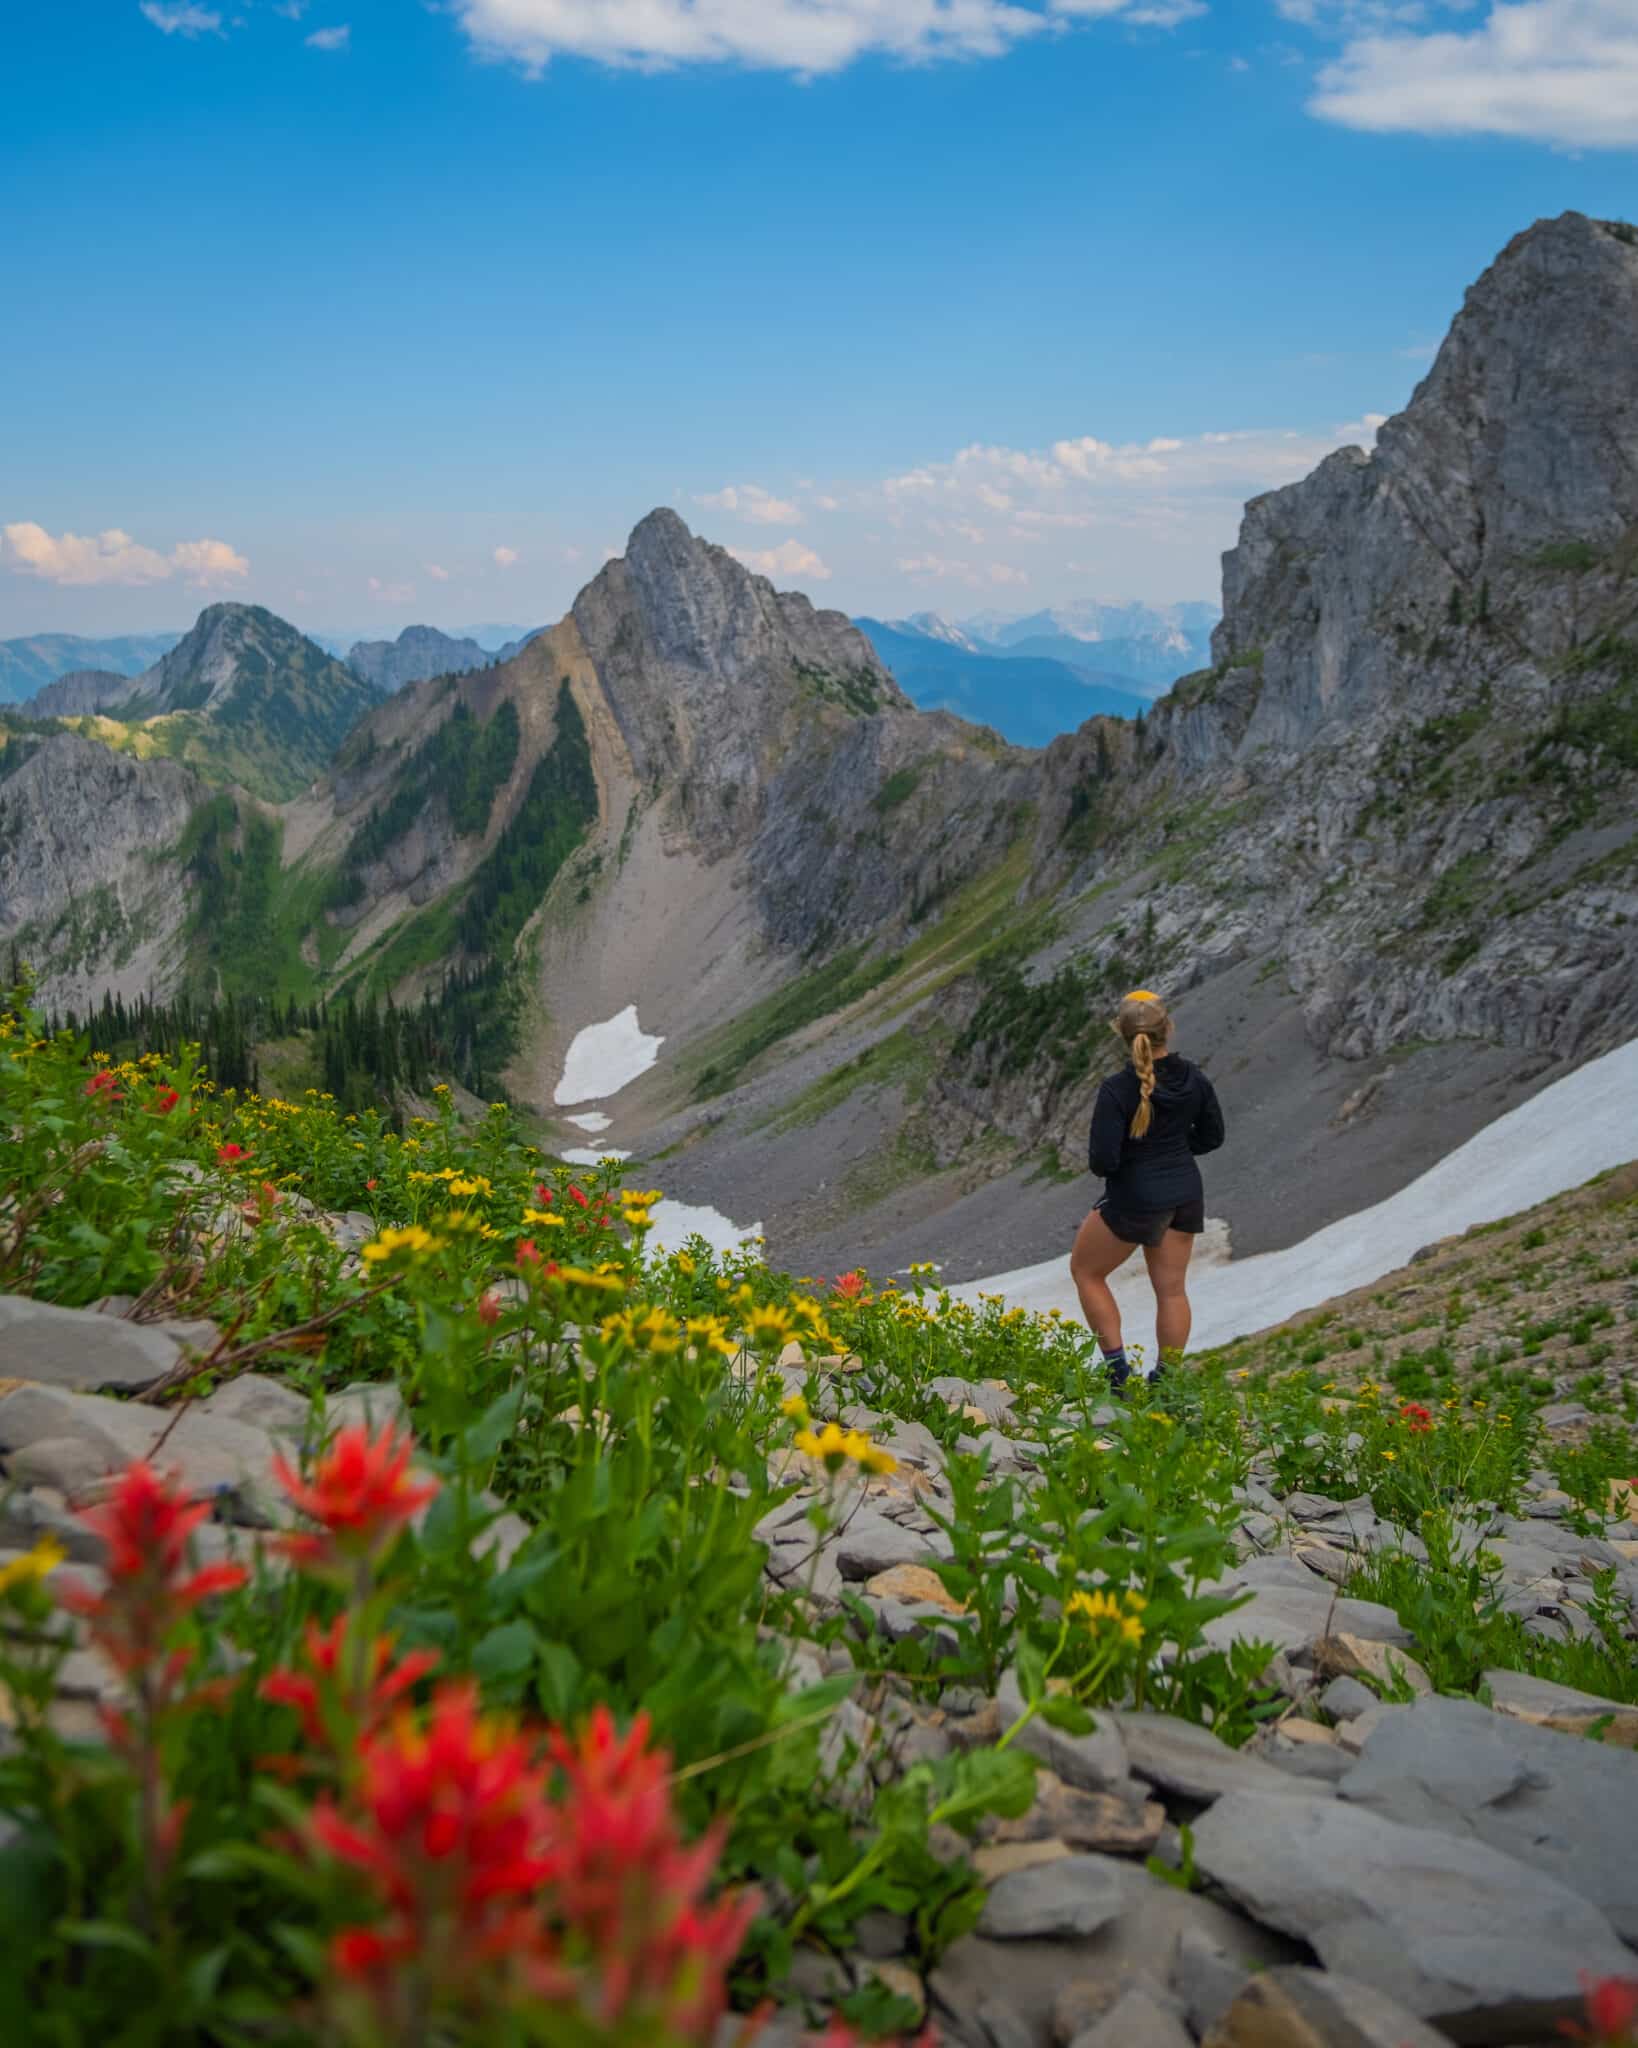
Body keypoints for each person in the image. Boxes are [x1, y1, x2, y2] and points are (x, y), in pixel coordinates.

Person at [1069, 989, 1224, 1391]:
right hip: (1186, 1192)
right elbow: (1212, 1136)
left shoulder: (1117, 1089)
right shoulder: (1194, 1078)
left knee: (1086, 1272)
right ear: (1167, 1028)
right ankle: (1166, 1385)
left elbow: (1103, 1161)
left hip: (1136, 1198)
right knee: (1172, 1290)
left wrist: (1140, 1161)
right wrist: (1172, 1151)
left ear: (1119, 1031)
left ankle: (1119, 1375)